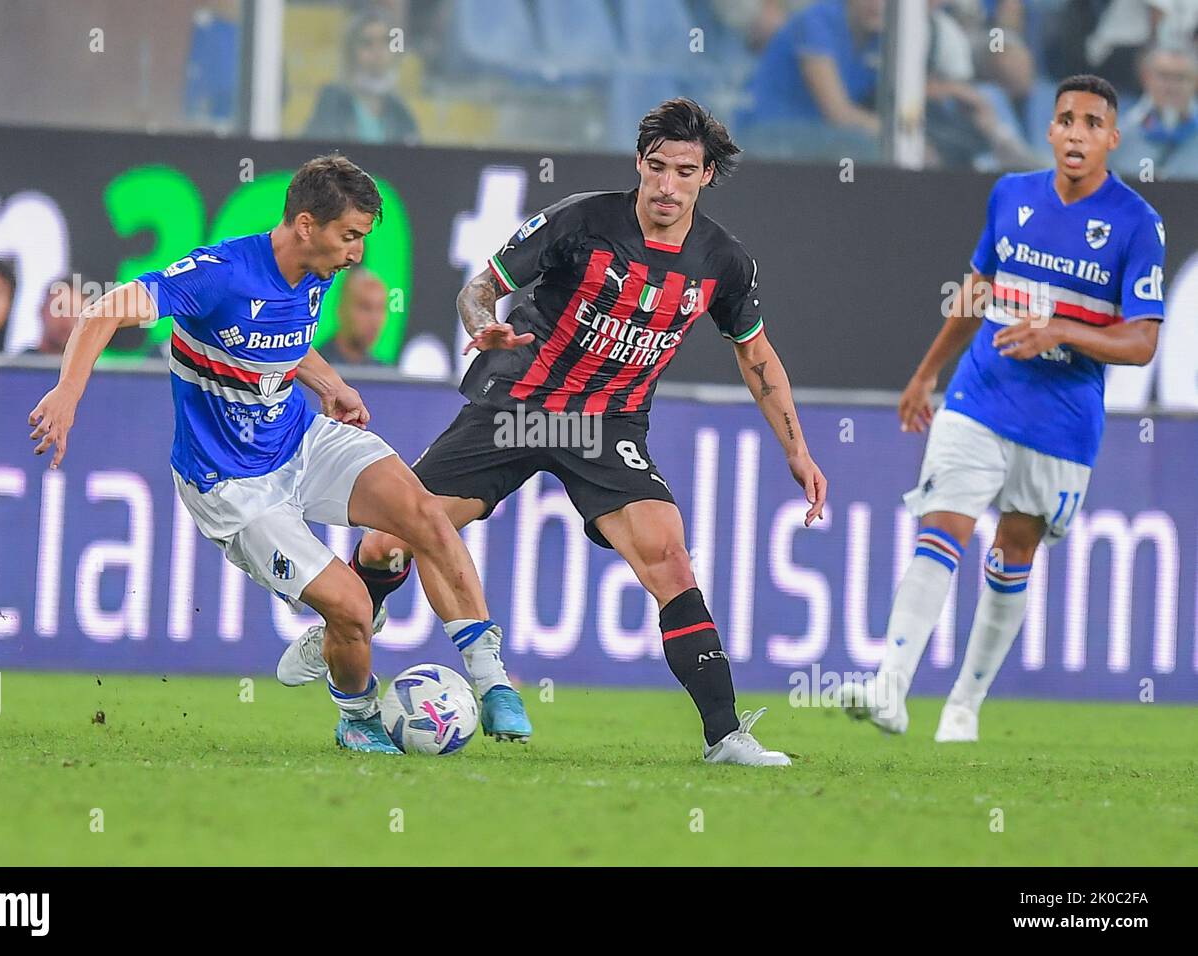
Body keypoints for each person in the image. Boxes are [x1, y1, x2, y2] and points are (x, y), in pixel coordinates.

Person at [350, 98, 829, 767]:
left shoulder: (722, 261)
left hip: (607, 425)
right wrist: (478, 324)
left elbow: (756, 356)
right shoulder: (582, 220)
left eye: (684, 171)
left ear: (707, 175)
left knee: (669, 557)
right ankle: (355, 615)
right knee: (385, 541)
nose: (666, 185)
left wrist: (798, 450)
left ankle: (727, 735)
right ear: (639, 162)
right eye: (656, 167)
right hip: (516, 402)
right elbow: (480, 287)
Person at [26, 154, 530, 753]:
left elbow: (278, 340)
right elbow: (104, 311)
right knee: (351, 609)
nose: (358, 254)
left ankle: (492, 680)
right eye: (350, 237)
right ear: (306, 225)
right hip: (230, 483)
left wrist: (329, 384)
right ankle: (359, 715)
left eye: (364, 239)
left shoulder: (317, 270)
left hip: (298, 438)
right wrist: (67, 393)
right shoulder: (218, 273)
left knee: (422, 513)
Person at [842, 75, 1166, 742]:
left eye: (1091, 123)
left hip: (1062, 418)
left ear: (1112, 137)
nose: (1076, 133)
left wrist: (1062, 332)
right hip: (980, 392)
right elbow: (975, 293)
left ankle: (964, 703)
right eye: (1065, 119)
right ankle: (890, 687)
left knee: (1013, 550)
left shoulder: (1137, 224)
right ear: (1049, 130)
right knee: (943, 524)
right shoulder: (1010, 195)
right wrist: (927, 373)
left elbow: (1142, 342)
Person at [736, 0, 884, 158]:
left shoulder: (885, 36)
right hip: (769, 138)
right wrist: (896, 132)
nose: (876, 3)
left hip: (818, 143)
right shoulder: (816, 20)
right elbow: (839, 114)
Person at [304, 9, 419, 146]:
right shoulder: (332, 101)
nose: (378, 52)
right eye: (367, 43)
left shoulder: (401, 112)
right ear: (350, 53)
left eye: (385, 42)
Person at [1113, 43, 1198, 179]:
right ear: (1146, 77)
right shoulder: (1117, 133)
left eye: (1181, 78)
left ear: (1195, 81)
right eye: (1163, 76)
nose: (1171, 86)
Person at [319, 267, 386, 366]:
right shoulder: (314, 368)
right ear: (341, 309)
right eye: (365, 307)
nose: (374, 319)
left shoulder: (383, 373)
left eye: (381, 308)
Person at [24, 278, 85, 356]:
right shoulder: (16, 365)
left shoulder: (94, 366)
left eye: (76, 312)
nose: (67, 318)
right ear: (42, 310)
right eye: (59, 308)